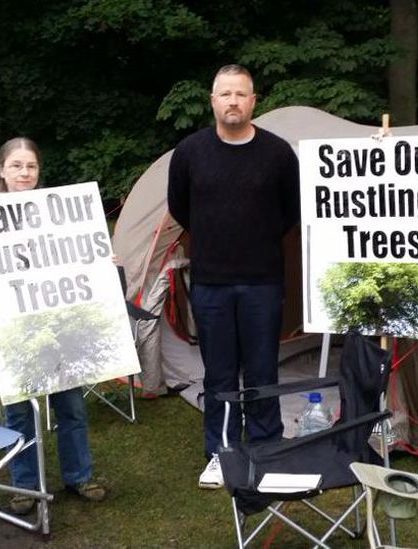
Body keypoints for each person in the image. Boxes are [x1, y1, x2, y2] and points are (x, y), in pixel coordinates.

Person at [0, 137, 107, 511]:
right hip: (12, 333)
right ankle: (26, 485)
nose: (24, 173)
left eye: (31, 166)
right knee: (20, 412)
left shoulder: (59, 213)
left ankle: (79, 476)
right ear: (1, 169)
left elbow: (77, 263)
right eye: (17, 166)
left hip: (60, 329)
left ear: (39, 172)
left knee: (70, 406)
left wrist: (99, 258)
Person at [166, 64, 300, 489]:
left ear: (254, 100)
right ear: (212, 101)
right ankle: (222, 453)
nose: (233, 102)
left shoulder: (278, 153)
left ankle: (265, 449)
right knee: (220, 373)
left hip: (263, 281)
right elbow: (179, 207)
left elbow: (290, 211)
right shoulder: (189, 152)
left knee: (263, 370)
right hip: (210, 284)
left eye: (241, 94)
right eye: (225, 94)